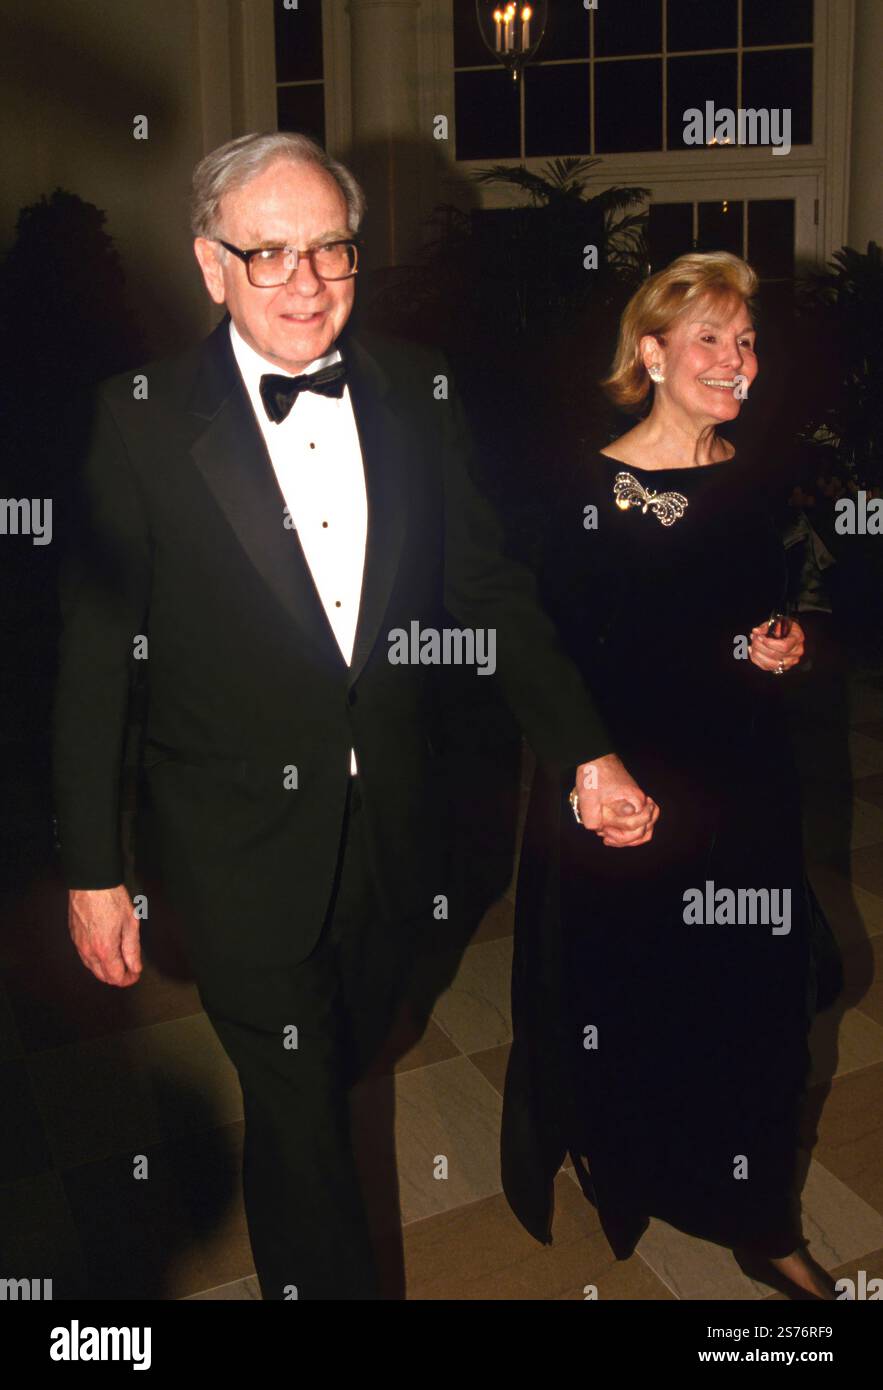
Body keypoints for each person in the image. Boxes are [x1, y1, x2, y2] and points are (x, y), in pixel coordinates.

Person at [51, 131, 658, 1301]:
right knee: (299, 1119)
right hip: (230, 845)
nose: (307, 283)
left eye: (330, 249)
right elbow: (93, 661)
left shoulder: (416, 390)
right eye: (267, 253)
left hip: (398, 836)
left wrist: (584, 747)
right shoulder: (133, 419)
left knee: (345, 1059)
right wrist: (92, 865)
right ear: (208, 265)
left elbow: (487, 593)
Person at [502, 251, 841, 1301]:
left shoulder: (758, 470)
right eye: (709, 339)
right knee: (633, 998)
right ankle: (623, 1152)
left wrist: (785, 641)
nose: (736, 360)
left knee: (763, 1000)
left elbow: (781, 604)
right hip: (627, 796)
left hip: (745, 786)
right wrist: (587, 773)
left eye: (744, 342)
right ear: (649, 351)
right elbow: (541, 654)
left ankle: (759, 1217)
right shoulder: (582, 489)